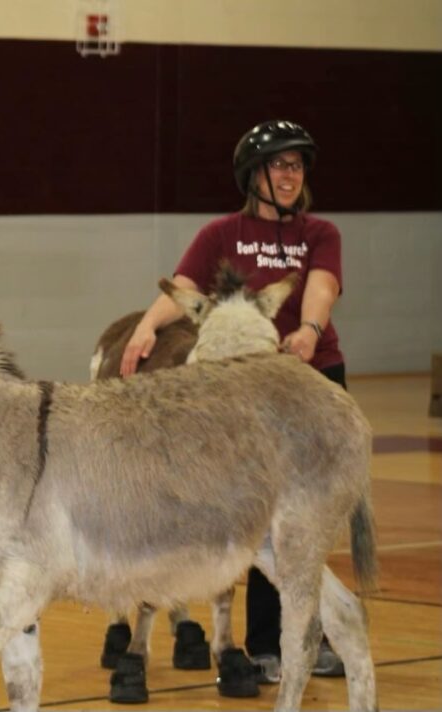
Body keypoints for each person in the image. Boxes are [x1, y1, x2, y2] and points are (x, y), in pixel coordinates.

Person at [118, 119, 346, 683]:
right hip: (247, 397)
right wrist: (146, 329)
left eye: (296, 165)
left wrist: (310, 332)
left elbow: (322, 286)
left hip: (312, 378)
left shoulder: (320, 232)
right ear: (254, 175)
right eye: (278, 165)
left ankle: (312, 636)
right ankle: (267, 645)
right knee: (264, 519)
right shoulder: (222, 232)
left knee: (309, 523)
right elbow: (184, 287)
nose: (289, 175)